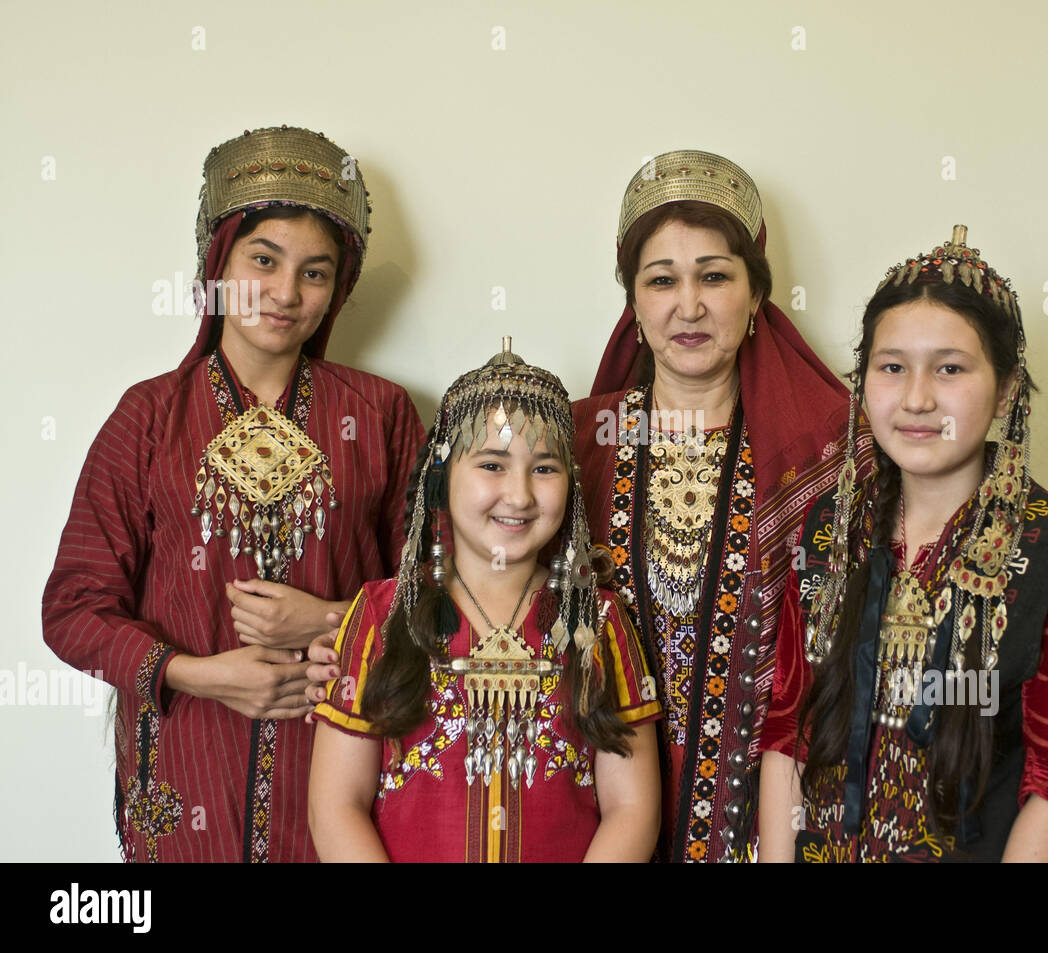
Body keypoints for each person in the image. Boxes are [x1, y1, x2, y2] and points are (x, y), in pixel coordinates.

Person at [42, 126, 425, 862]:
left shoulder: (381, 414)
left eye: (315, 272)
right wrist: (202, 674)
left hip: (341, 779)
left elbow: (444, 601)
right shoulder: (149, 416)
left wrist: (334, 618)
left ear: (339, 288)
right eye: (263, 260)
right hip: (184, 770)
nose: (285, 293)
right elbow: (72, 608)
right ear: (218, 263)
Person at [758, 226, 1048, 862]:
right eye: (892, 367)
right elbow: (787, 731)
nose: (918, 399)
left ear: (1007, 389)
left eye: (949, 369)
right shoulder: (827, 531)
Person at [572, 150, 872, 861]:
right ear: (634, 303)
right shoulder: (578, 440)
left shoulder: (822, 451)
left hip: (764, 817)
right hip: (595, 815)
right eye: (662, 280)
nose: (690, 305)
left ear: (755, 292)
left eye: (714, 275)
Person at [308, 339, 662, 862]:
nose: (519, 495)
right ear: (441, 477)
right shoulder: (383, 614)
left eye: (545, 468)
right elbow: (336, 806)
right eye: (493, 465)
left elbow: (632, 809)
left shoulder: (598, 619)